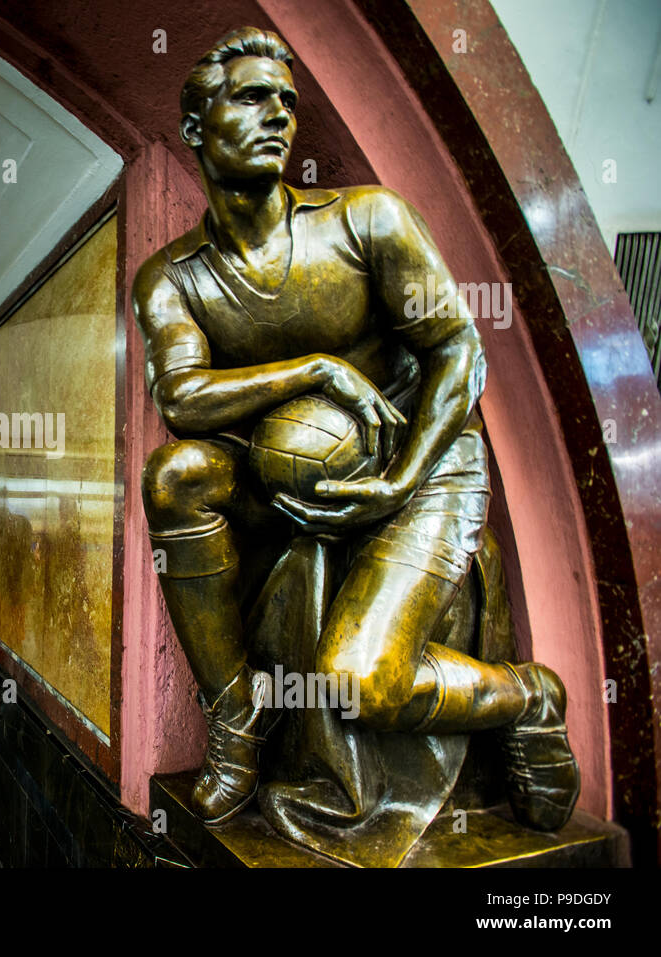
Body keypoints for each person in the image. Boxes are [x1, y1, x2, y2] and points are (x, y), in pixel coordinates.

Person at [134, 27, 577, 836]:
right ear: (196, 128)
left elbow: (457, 351)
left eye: (288, 103)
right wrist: (314, 369)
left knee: (360, 682)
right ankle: (239, 720)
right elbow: (182, 397)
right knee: (173, 475)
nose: (278, 117)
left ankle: (531, 694)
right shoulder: (172, 277)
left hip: (424, 465)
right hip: (293, 476)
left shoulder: (366, 220)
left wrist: (404, 474)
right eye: (251, 97)